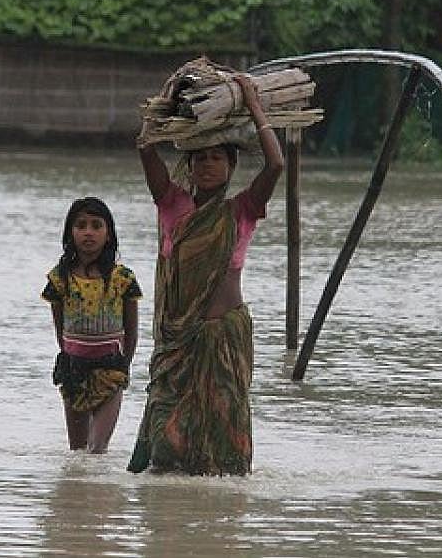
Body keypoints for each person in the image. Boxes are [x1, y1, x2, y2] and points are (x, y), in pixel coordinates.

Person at [128, 73, 283, 475]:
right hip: (176, 340)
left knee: (223, 439)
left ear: (231, 165)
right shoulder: (171, 204)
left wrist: (254, 105)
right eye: (201, 158)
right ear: (190, 165)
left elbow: (276, 163)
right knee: (166, 440)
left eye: (217, 158)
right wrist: (161, 104)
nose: (208, 165)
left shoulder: (242, 211)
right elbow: (146, 149)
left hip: (223, 338)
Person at [42, 197, 141, 453]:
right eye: (81, 225)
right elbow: (60, 327)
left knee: (96, 449)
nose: (88, 232)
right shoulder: (60, 278)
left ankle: (98, 489)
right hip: (73, 371)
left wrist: (124, 367)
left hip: (111, 370)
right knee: (77, 452)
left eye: (96, 225)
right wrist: (68, 357)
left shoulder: (122, 279)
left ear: (108, 234)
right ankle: (78, 492)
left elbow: (132, 330)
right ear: (70, 233)